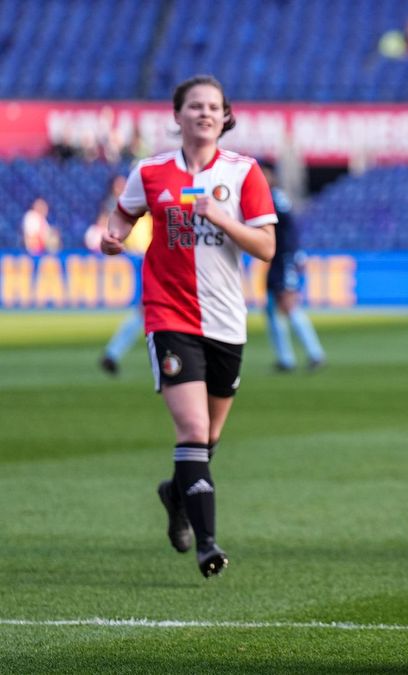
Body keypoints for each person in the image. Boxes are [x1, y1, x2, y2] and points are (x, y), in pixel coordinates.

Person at [100, 75, 277, 577]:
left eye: (213, 107)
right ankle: (208, 544)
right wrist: (113, 238)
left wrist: (221, 217)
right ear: (177, 115)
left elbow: (266, 247)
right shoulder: (150, 171)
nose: (204, 113)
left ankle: (175, 494)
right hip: (169, 315)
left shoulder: (244, 172)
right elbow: (123, 217)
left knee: (209, 437)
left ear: (225, 117)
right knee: (194, 430)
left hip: (225, 321)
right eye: (195, 106)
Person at [262, 163, 325, 373]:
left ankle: (315, 353)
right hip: (276, 259)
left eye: (263, 173)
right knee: (272, 308)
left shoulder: (276, 198)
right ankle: (285, 358)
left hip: (284, 258)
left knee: (288, 304)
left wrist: (295, 254)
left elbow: (289, 229)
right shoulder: (271, 197)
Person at [93, 175, 153, 375]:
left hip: (148, 259)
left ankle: (113, 353)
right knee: (145, 310)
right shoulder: (132, 210)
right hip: (144, 261)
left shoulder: (142, 210)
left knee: (145, 311)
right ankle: (113, 353)